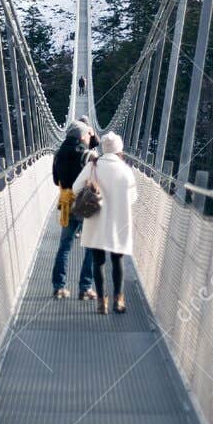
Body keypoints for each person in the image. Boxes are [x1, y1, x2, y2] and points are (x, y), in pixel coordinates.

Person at [72, 131, 137, 315]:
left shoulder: (94, 165)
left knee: (98, 261)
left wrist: (91, 188)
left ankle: (102, 303)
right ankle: (119, 301)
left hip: (96, 221)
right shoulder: (126, 170)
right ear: (120, 151)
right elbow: (133, 198)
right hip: (119, 223)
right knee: (118, 260)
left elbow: (76, 188)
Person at [51, 122, 98, 299]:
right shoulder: (88, 154)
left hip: (65, 200)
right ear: (81, 136)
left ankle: (59, 287)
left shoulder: (58, 154)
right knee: (91, 247)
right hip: (83, 202)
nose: (89, 138)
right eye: (87, 135)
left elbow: (56, 180)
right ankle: (85, 288)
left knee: (64, 246)